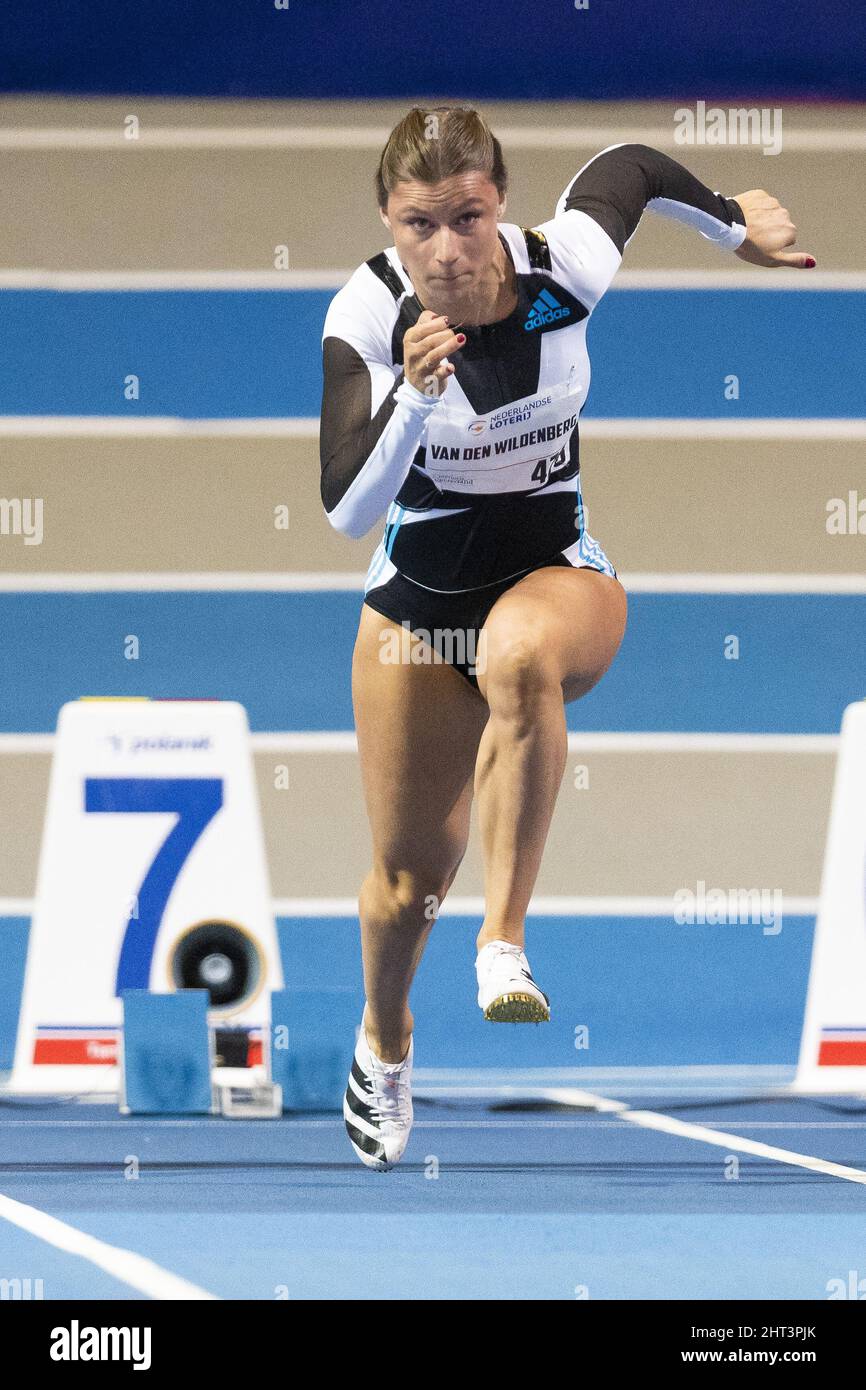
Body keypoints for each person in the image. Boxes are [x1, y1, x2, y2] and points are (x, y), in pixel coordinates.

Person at [319, 106, 815, 1170]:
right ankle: (385, 1038)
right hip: (416, 604)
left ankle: (504, 944)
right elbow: (345, 511)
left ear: (499, 204)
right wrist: (409, 396)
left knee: (519, 653)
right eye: (418, 224)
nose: (445, 249)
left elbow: (627, 167)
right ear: (385, 220)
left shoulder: (566, 271)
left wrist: (732, 226)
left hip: (554, 574)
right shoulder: (366, 313)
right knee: (405, 885)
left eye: (467, 216)